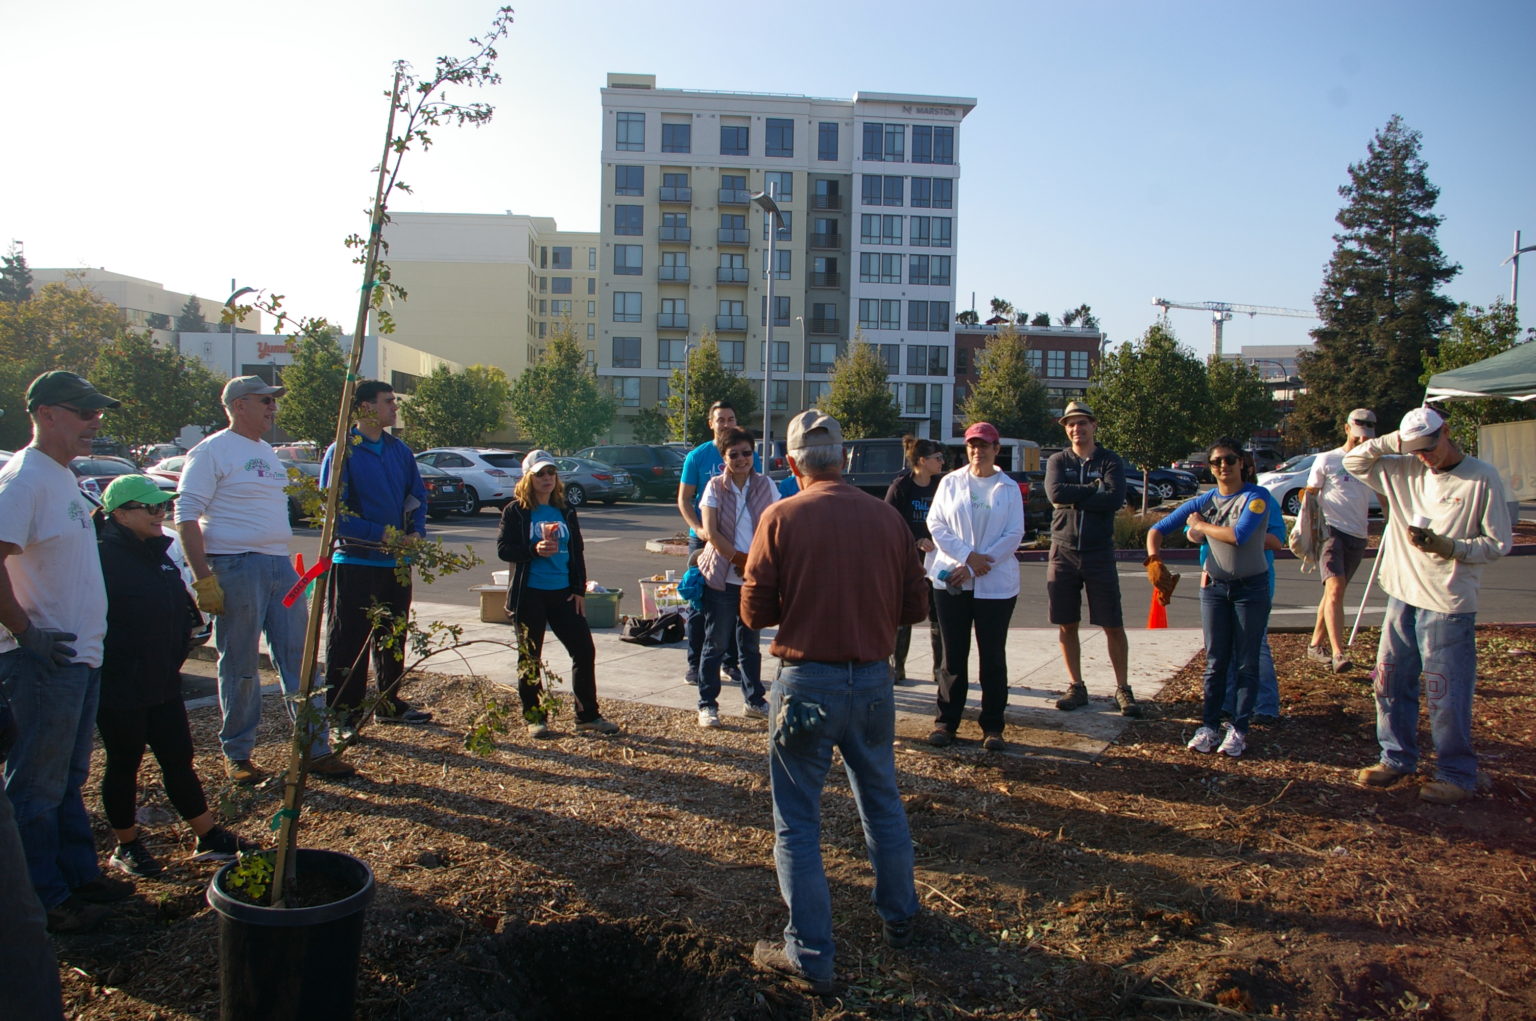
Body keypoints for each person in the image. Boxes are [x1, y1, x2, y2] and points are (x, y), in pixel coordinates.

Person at [741, 410, 927, 995]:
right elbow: (915, 607)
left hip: (806, 682)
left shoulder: (781, 517)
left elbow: (753, 612)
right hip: (872, 681)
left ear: (792, 464)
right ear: (844, 460)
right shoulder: (887, 519)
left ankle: (811, 954)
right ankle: (901, 919)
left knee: (797, 822)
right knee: (882, 802)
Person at [0, 371, 133, 934]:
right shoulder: (23, 482)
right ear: (47, 414)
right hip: (42, 662)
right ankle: (44, 900)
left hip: (79, 658)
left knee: (68, 776)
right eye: (84, 413)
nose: (94, 423)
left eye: (97, 413)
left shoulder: (63, 479)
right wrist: (26, 633)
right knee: (36, 783)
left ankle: (79, 877)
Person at [175, 375, 352, 784]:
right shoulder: (210, 452)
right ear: (238, 405)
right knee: (239, 665)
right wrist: (204, 579)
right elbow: (185, 517)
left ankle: (315, 749)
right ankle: (237, 754)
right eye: (264, 401)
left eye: (274, 401)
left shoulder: (267, 455)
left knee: (301, 660)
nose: (273, 408)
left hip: (279, 569)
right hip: (235, 568)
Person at [1344, 407, 1511, 804]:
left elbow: (1498, 543)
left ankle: (1456, 773)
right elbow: (1353, 460)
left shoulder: (1481, 477)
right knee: (1389, 680)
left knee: (1445, 692)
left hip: (1448, 601)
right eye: (1416, 449)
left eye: (1430, 447)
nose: (1425, 457)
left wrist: (1449, 547)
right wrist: (1397, 442)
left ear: (1446, 432)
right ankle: (1396, 756)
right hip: (1403, 591)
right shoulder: (1403, 468)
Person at [94, 476, 256, 878]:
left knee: (178, 758)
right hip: (121, 683)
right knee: (124, 762)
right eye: (150, 508)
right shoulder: (100, 557)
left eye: (162, 507)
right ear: (120, 514)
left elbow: (177, 602)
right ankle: (127, 844)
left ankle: (207, 836)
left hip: (163, 679)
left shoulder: (158, 552)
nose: (159, 515)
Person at [1148, 438, 1276, 759]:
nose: (1223, 467)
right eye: (1217, 461)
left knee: (1247, 661)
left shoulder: (1256, 497)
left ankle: (1240, 728)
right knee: (1215, 661)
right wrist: (1154, 560)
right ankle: (1209, 726)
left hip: (1251, 588)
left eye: (1230, 460)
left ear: (1242, 463)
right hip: (1215, 588)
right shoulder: (1205, 499)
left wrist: (1201, 526)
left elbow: (1239, 535)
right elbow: (1158, 529)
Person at [321, 380, 432, 742]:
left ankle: (389, 702)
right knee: (348, 639)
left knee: (392, 636)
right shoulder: (342, 452)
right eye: (388, 402)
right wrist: (379, 533)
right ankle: (342, 714)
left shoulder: (399, 450)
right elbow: (333, 512)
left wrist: (415, 532)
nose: (394, 408)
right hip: (355, 561)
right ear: (365, 408)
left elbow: (416, 496)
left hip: (394, 565)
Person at [496, 450, 620, 738]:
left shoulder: (565, 510)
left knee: (584, 651)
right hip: (530, 594)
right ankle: (535, 718)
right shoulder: (515, 511)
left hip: (563, 593)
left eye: (551, 473)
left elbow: (577, 551)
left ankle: (587, 715)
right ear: (528, 478)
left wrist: (579, 589)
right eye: (540, 474)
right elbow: (504, 550)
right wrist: (532, 550)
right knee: (530, 657)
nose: (547, 478)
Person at [925, 422, 1026, 751]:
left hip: (995, 585)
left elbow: (1013, 535)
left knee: (993, 657)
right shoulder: (950, 483)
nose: (976, 451)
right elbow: (935, 523)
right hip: (953, 579)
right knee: (952, 656)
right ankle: (946, 722)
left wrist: (979, 564)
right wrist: (967, 559)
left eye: (984, 445)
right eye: (972, 445)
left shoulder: (1008, 488)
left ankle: (993, 726)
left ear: (996, 449)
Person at [1043, 402, 1139, 717]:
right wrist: (1090, 489)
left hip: (1099, 552)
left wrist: (1078, 496)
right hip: (1063, 550)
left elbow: (1113, 498)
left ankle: (1123, 689)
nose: (1076, 429)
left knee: (1112, 622)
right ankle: (1076, 686)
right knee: (1066, 622)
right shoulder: (1058, 460)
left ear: (1094, 425)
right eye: (1070, 424)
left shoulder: (1109, 460)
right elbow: (1056, 493)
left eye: (1082, 423)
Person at [695, 426, 778, 726]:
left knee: (750, 645)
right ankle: (707, 704)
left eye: (746, 453)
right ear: (724, 458)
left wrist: (756, 563)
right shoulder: (715, 487)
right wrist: (738, 558)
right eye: (734, 454)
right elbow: (712, 532)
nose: (742, 459)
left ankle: (754, 699)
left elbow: (774, 526)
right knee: (715, 643)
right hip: (722, 578)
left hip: (753, 579)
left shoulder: (766, 485)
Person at [677, 401, 758, 686]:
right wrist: (698, 528)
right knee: (703, 606)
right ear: (710, 423)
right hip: (704, 540)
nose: (726, 423)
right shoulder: (697, 457)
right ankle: (695, 663)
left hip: (738, 542)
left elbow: (755, 493)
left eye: (731, 418)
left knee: (737, 605)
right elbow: (684, 499)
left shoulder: (745, 453)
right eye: (720, 419)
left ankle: (730, 663)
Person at [1304, 408, 1377, 672]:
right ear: (1347, 429)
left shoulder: (1372, 461)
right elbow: (1310, 494)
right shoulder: (1328, 459)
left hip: (1358, 535)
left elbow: (1385, 496)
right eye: (1357, 436)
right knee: (1335, 589)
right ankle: (1338, 653)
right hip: (1330, 531)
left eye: (1366, 437)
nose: (1361, 441)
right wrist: (1306, 529)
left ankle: (1315, 645)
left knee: (1333, 592)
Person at [883, 436, 945, 685]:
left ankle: (940, 670)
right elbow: (889, 522)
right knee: (903, 615)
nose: (942, 462)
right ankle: (897, 668)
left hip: (938, 561)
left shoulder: (943, 485)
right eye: (937, 458)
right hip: (907, 561)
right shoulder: (901, 487)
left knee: (938, 614)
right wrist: (916, 540)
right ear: (922, 461)